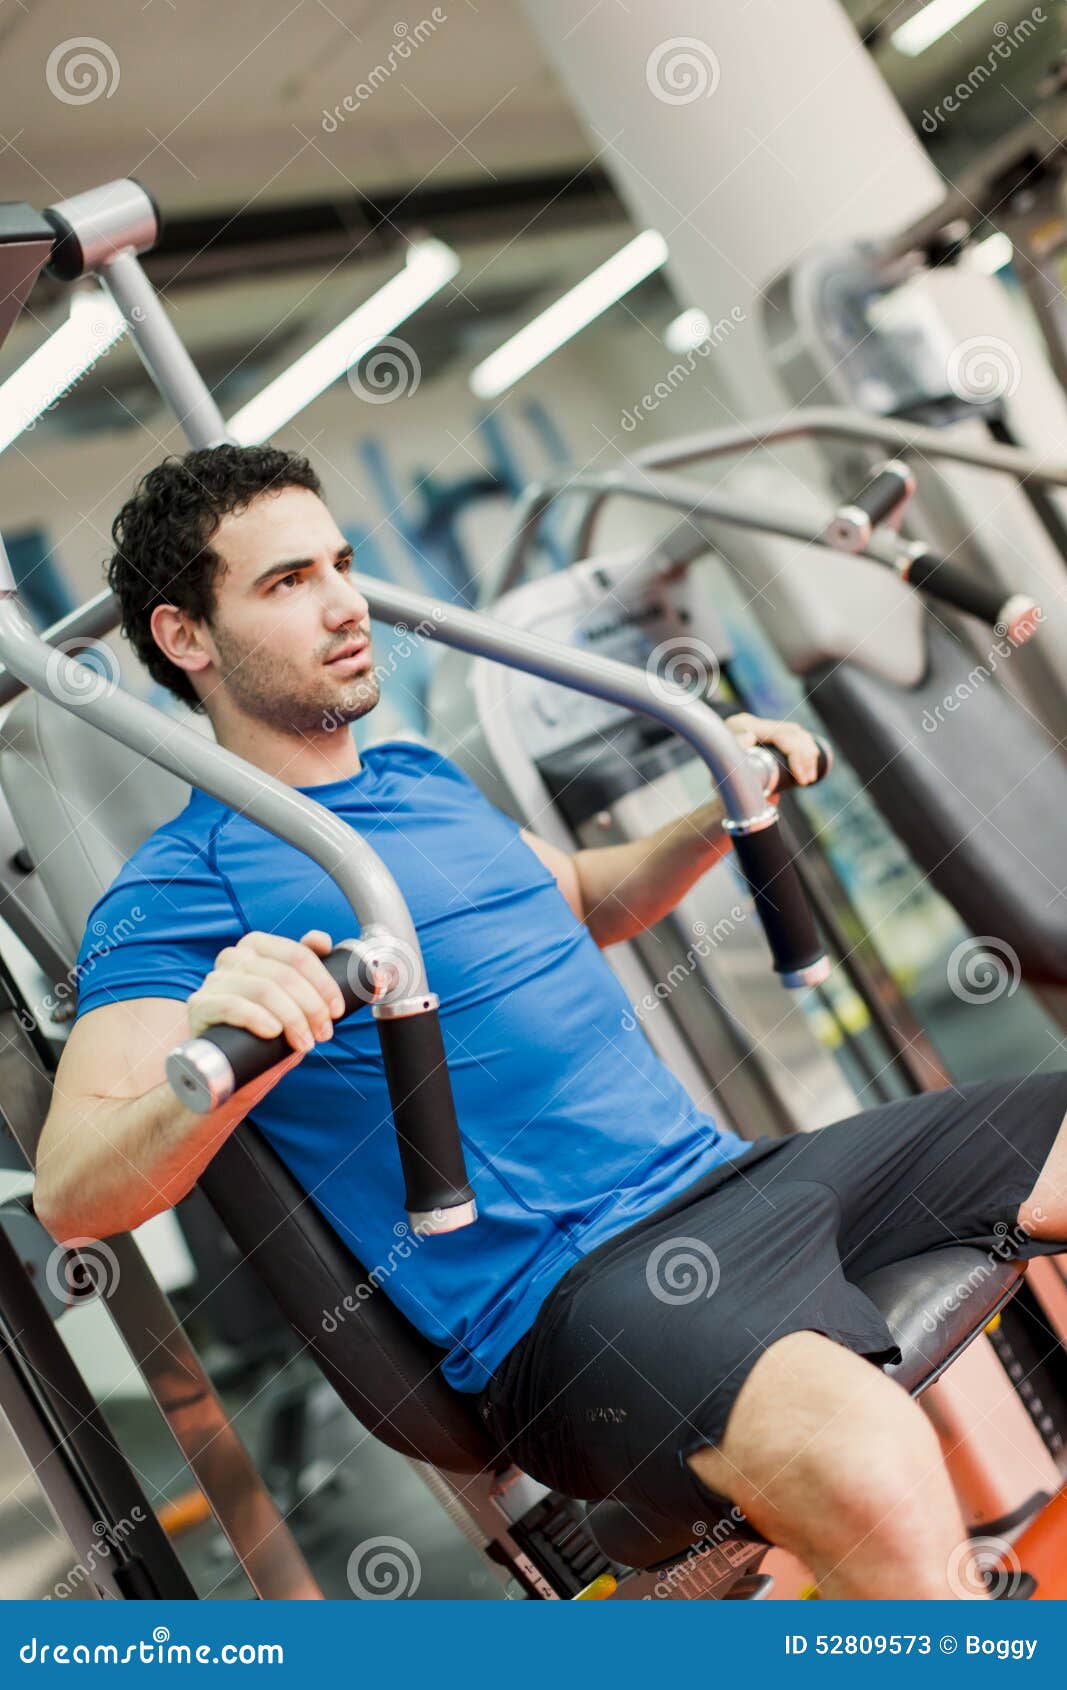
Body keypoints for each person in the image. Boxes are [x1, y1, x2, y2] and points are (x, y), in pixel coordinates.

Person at [33, 444, 1067, 1601]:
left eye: (340, 564)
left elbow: (580, 896)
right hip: (569, 1302)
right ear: (185, 636)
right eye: (286, 582)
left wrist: (715, 811)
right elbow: (76, 1191)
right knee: (871, 1465)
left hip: (734, 1178)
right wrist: (229, 1057)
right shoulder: (177, 890)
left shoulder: (419, 776)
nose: (345, 604)